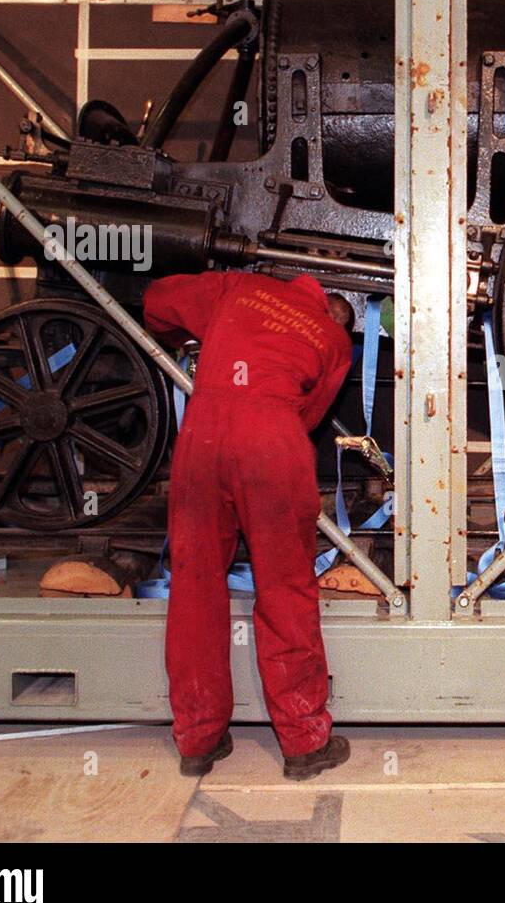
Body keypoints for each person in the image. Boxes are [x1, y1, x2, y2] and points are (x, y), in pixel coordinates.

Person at [143, 270, 356, 780]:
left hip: (205, 432)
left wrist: (187, 339)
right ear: (334, 313)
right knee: (286, 588)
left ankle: (198, 739)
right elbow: (312, 412)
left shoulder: (240, 287)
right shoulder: (333, 339)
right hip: (272, 436)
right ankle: (303, 742)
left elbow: (156, 302)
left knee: (194, 586)